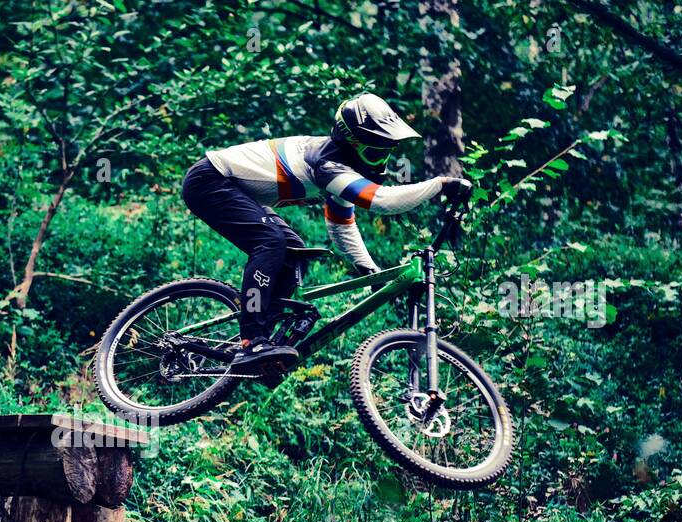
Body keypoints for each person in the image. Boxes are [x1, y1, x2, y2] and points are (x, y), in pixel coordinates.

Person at [181, 93, 472, 373]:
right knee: (271, 240)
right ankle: (251, 340)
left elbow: (341, 226)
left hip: (230, 188)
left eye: (387, 150)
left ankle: (263, 341)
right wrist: (440, 184)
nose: (382, 157)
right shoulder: (327, 165)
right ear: (352, 144)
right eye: (375, 150)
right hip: (209, 181)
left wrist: (368, 270)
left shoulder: (339, 169)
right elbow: (381, 201)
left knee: (294, 252)